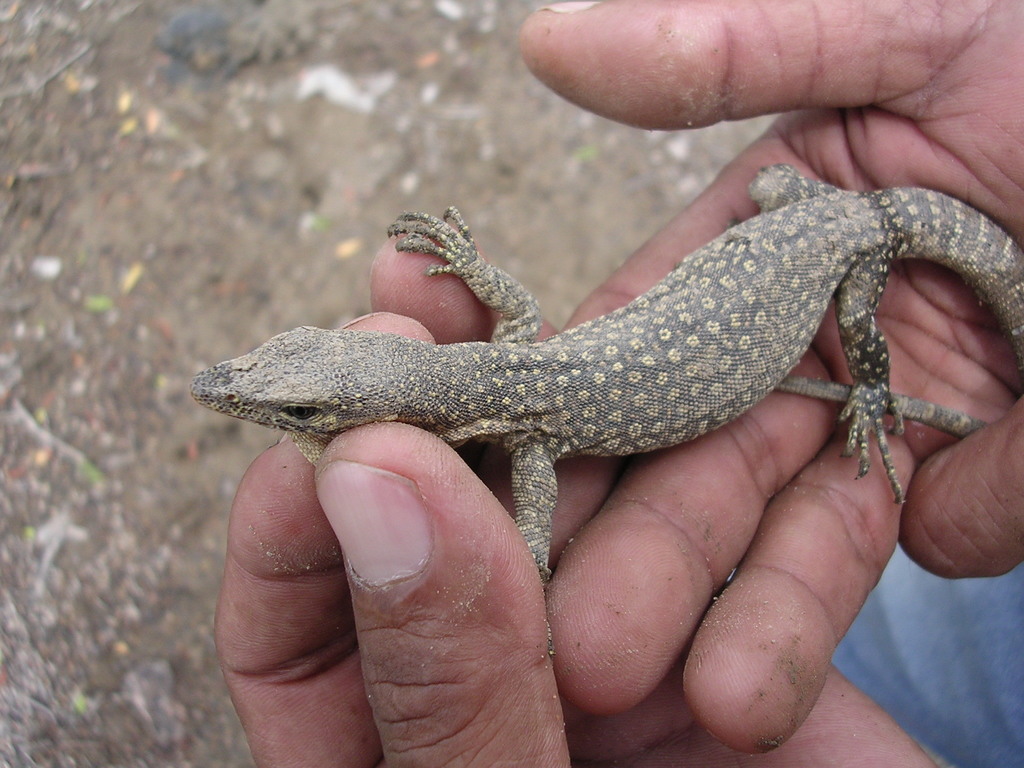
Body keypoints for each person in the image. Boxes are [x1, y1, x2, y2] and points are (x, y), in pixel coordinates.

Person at [213, 1, 1024, 765]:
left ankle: (875, 393)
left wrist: (517, 585)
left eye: (301, 407)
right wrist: (473, 269)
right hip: (812, 213)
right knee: (770, 191)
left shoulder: (527, 436)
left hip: (855, 238)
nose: (245, 398)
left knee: (846, 321)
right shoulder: (519, 389)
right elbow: (519, 316)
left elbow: (530, 547)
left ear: (393, 406)